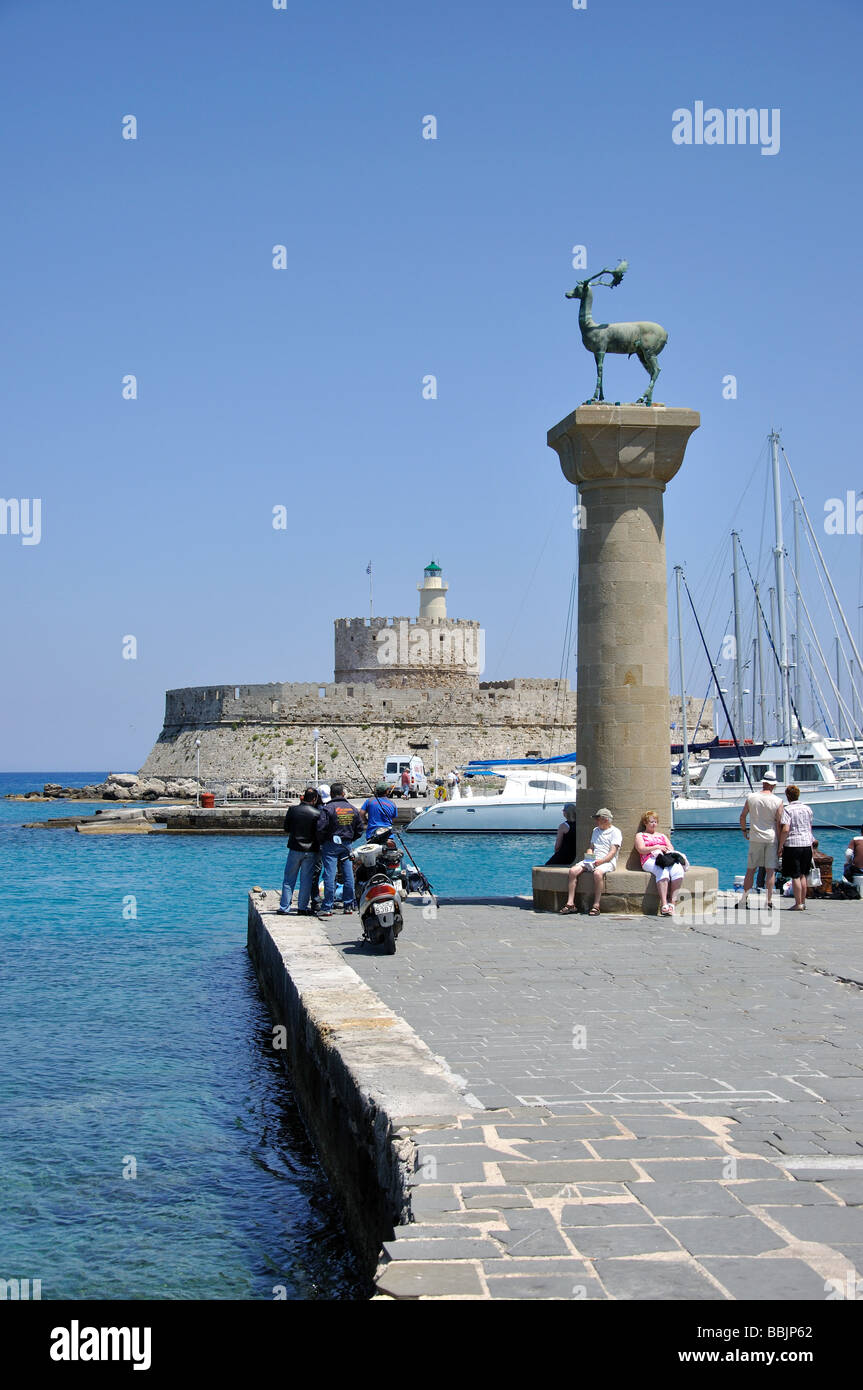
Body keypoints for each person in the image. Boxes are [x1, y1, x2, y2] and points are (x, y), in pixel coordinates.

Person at [559, 808, 623, 915]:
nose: (596, 821)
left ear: (606, 820)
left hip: (607, 861)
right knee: (573, 871)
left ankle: (596, 905)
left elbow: (612, 852)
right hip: (593, 860)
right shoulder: (595, 830)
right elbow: (591, 847)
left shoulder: (615, 832)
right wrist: (589, 858)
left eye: (598, 819)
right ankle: (570, 903)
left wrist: (600, 861)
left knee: (597, 873)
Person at [315, 781, 363, 917]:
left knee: (329, 875)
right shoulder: (352, 808)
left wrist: (322, 841)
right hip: (346, 845)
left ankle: (327, 906)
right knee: (348, 875)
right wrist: (351, 839)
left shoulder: (328, 809)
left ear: (331, 794)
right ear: (343, 793)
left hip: (330, 844)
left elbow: (320, 828)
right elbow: (359, 828)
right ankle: (348, 905)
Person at [738, 773, 783, 910]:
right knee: (770, 871)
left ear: (763, 783)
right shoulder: (778, 801)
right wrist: (781, 843)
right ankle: (768, 901)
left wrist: (744, 831)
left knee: (750, 870)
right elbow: (780, 823)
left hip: (755, 837)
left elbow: (742, 816)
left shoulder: (751, 797)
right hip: (771, 838)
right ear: (773, 785)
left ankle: (744, 900)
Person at [278, 788, 322, 915]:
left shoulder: (293, 810)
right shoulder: (317, 814)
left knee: (288, 879)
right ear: (314, 799)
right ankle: (302, 908)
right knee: (306, 880)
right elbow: (319, 832)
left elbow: (286, 828)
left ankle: (284, 907)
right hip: (311, 850)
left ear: (303, 797)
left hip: (295, 848)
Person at [635, 810, 688, 916]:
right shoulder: (640, 835)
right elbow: (641, 849)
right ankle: (664, 904)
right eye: (651, 822)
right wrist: (656, 847)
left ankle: (672, 904)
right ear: (645, 823)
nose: (654, 824)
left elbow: (671, 847)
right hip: (649, 859)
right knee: (662, 871)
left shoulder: (662, 835)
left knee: (678, 870)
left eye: (655, 821)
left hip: (665, 858)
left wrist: (664, 849)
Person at [778, 783, 814, 911]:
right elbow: (809, 826)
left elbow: (785, 829)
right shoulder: (807, 809)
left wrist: (780, 845)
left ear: (788, 796)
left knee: (795, 875)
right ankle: (803, 902)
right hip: (806, 844)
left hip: (793, 845)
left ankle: (798, 903)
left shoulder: (787, 810)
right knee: (803, 874)